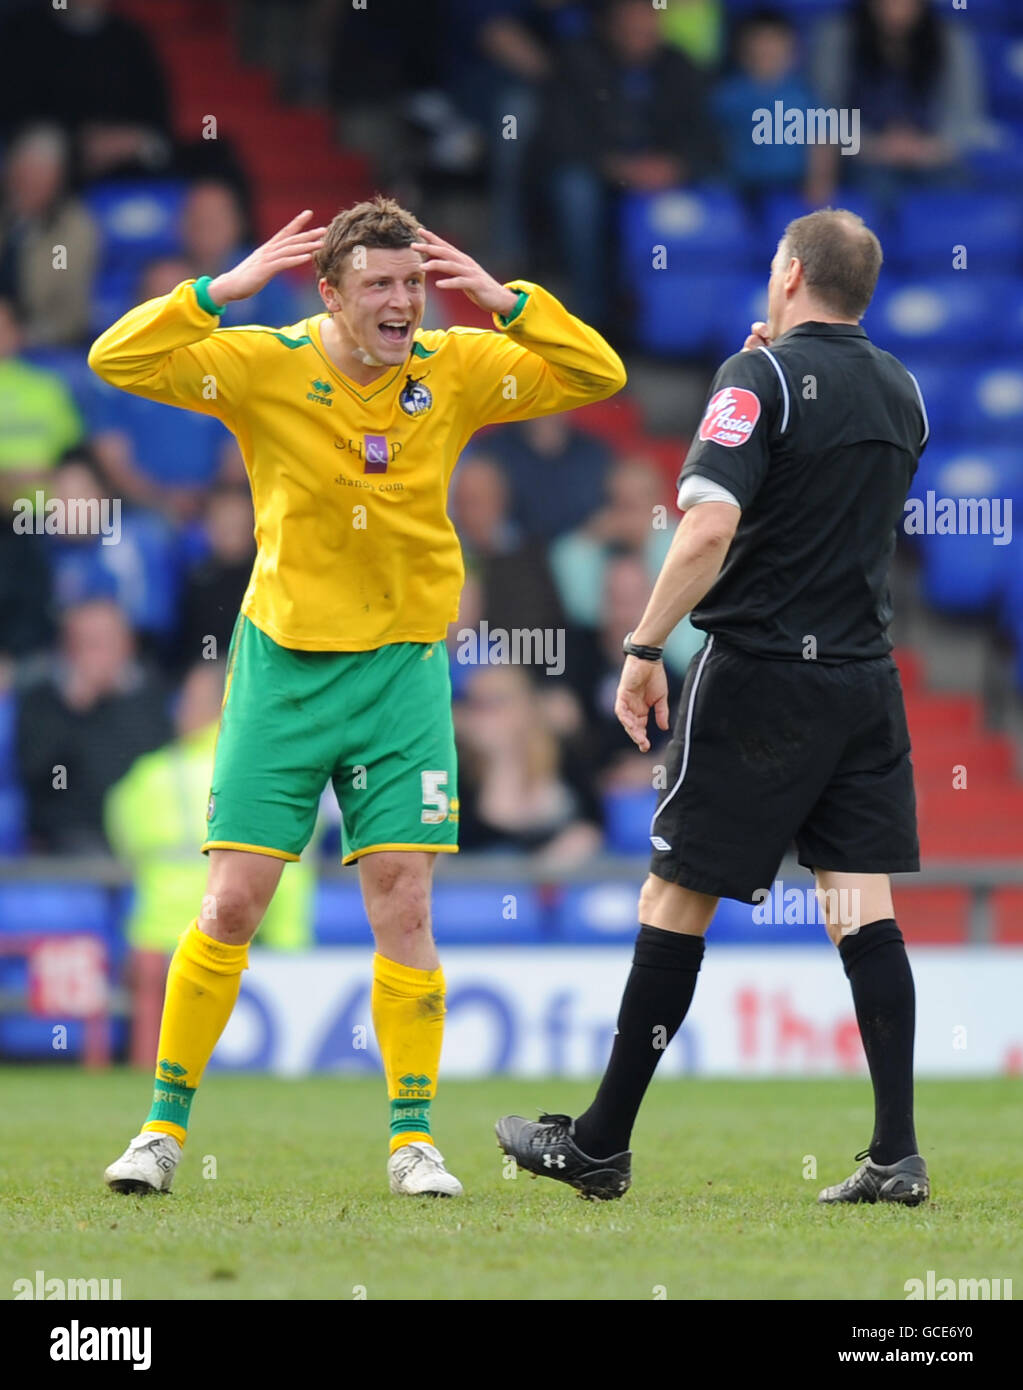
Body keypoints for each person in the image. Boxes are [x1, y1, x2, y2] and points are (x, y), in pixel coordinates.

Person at [88, 194, 625, 1197]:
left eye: (412, 284)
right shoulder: (263, 363)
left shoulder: (453, 368)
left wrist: (506, 302)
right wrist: (217, 292)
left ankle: (413, 1139)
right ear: (329, 293)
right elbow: (115, 361)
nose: (402, 302)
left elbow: (599, 371)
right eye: (378, 284)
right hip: (285, 668)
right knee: (235, 899)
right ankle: (161, 1129)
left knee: (403, 898)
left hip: (402, 672)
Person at [497, 209, 931, 1208]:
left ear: (787, 275)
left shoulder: (758, 380)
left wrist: (645, 645)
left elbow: (708, 530)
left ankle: (601, 1143)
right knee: (861, 906)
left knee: (674, 897)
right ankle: (896, 1153)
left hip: (762, 674)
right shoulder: (903, 389)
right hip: (864, 677)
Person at [15, 598, 171, 853]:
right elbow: (41, 779)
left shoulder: (149, 697)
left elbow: (159, 765)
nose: (98, 654)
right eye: (88, 644)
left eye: (106, 642)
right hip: (71, 834)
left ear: (128, 645)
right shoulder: (41, 699)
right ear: (67, 649)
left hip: (143, 829)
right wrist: (75, 711)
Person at [0, 124, 99, 347]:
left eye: (40, 174)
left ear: (57, 179)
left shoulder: (70, 232)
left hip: (39, 342)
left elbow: (68, 308)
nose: (28, 182)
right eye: (23, 171)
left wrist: (23, 336)